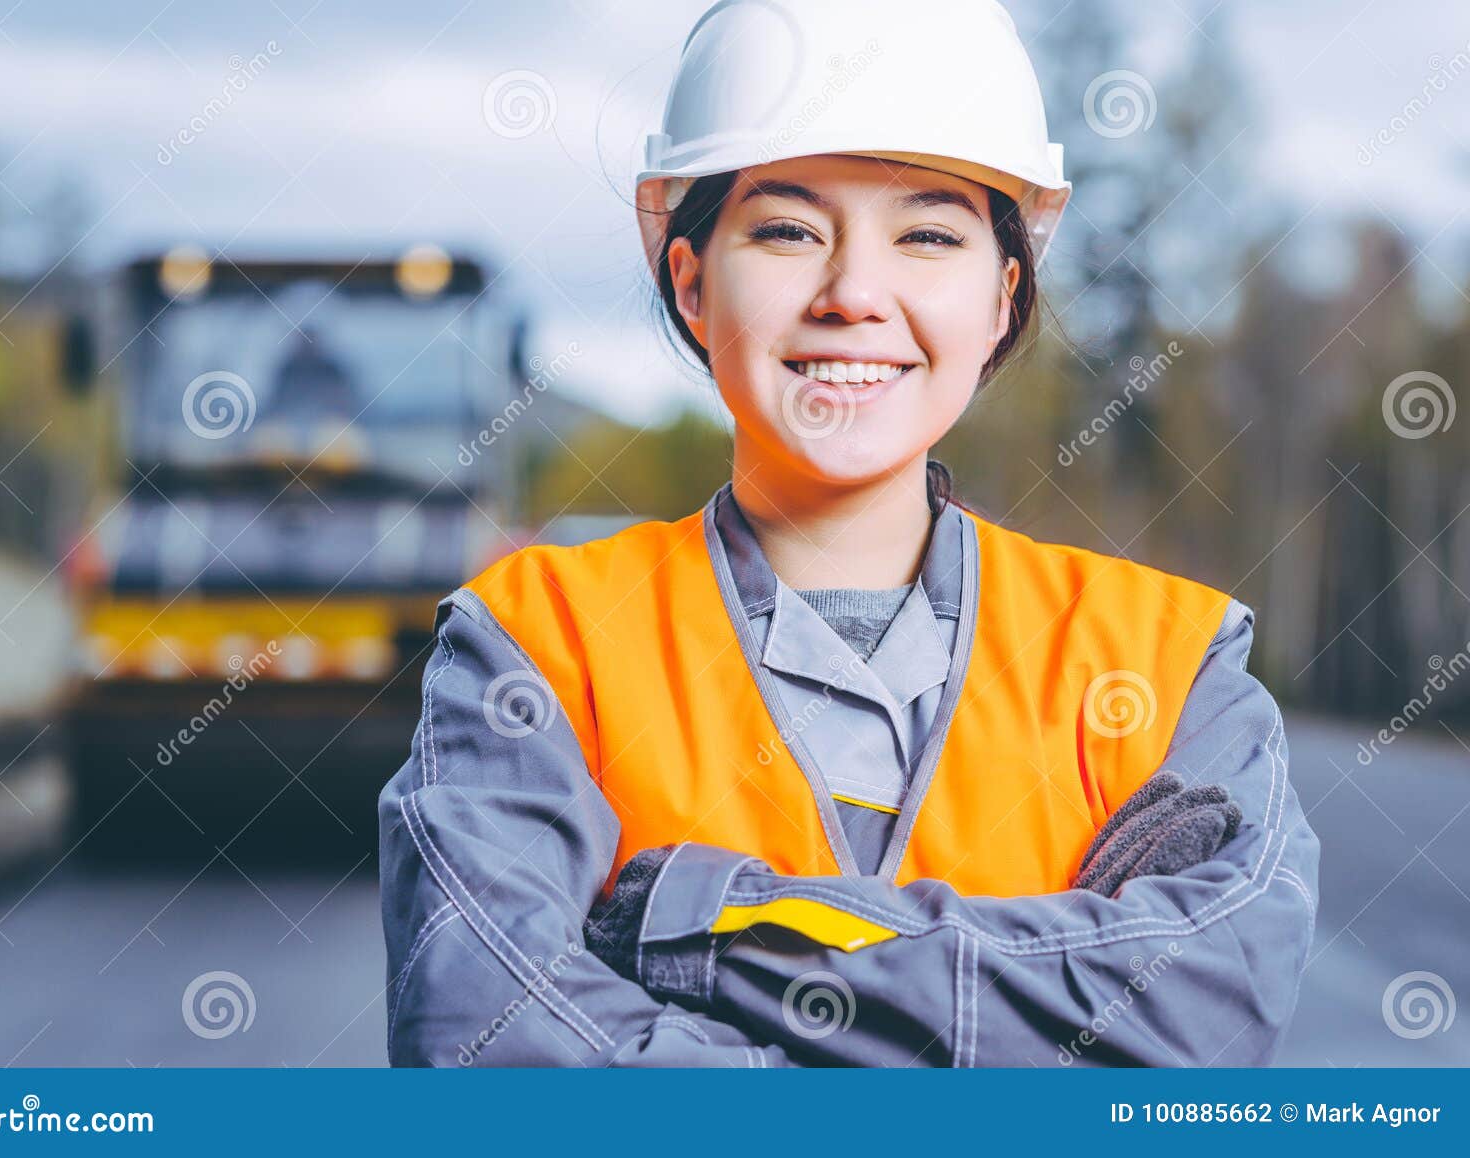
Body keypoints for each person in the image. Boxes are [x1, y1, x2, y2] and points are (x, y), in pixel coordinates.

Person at [377, 0, 1319, 1067]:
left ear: (1002, 299)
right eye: (787, 230)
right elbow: (492, 1047)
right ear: (690, 281)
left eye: (926, 235)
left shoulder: (1164, 662)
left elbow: (1197, 1006)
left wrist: (695, 928)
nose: (854, 295)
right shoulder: (537, 646)